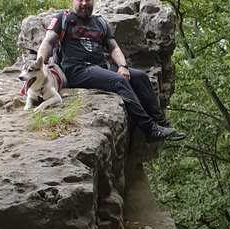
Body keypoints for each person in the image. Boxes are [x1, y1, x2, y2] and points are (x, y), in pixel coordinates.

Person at [35, 0, 185, 142]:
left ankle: (162, 123)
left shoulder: (100, 22)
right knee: (118, 81)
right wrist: (40, 64)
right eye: (80, 0)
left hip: (99, 67)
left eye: (88, 0)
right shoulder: (63, 18)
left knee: (140, 77)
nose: (84, 3)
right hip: (75, 70)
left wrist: (122, 66)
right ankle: (150, 130)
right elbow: (48, 42)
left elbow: (113, 47)